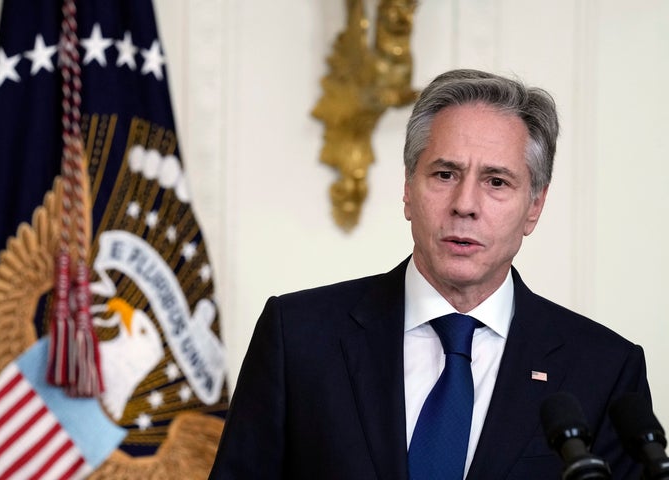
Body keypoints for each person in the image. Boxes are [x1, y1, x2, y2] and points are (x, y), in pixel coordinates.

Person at [209, 69, 651, 479]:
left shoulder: (604, 369)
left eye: (496, 181)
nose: (465, 204)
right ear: (407, 189)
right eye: (444, 174)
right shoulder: (299, 336)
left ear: (534, 206)